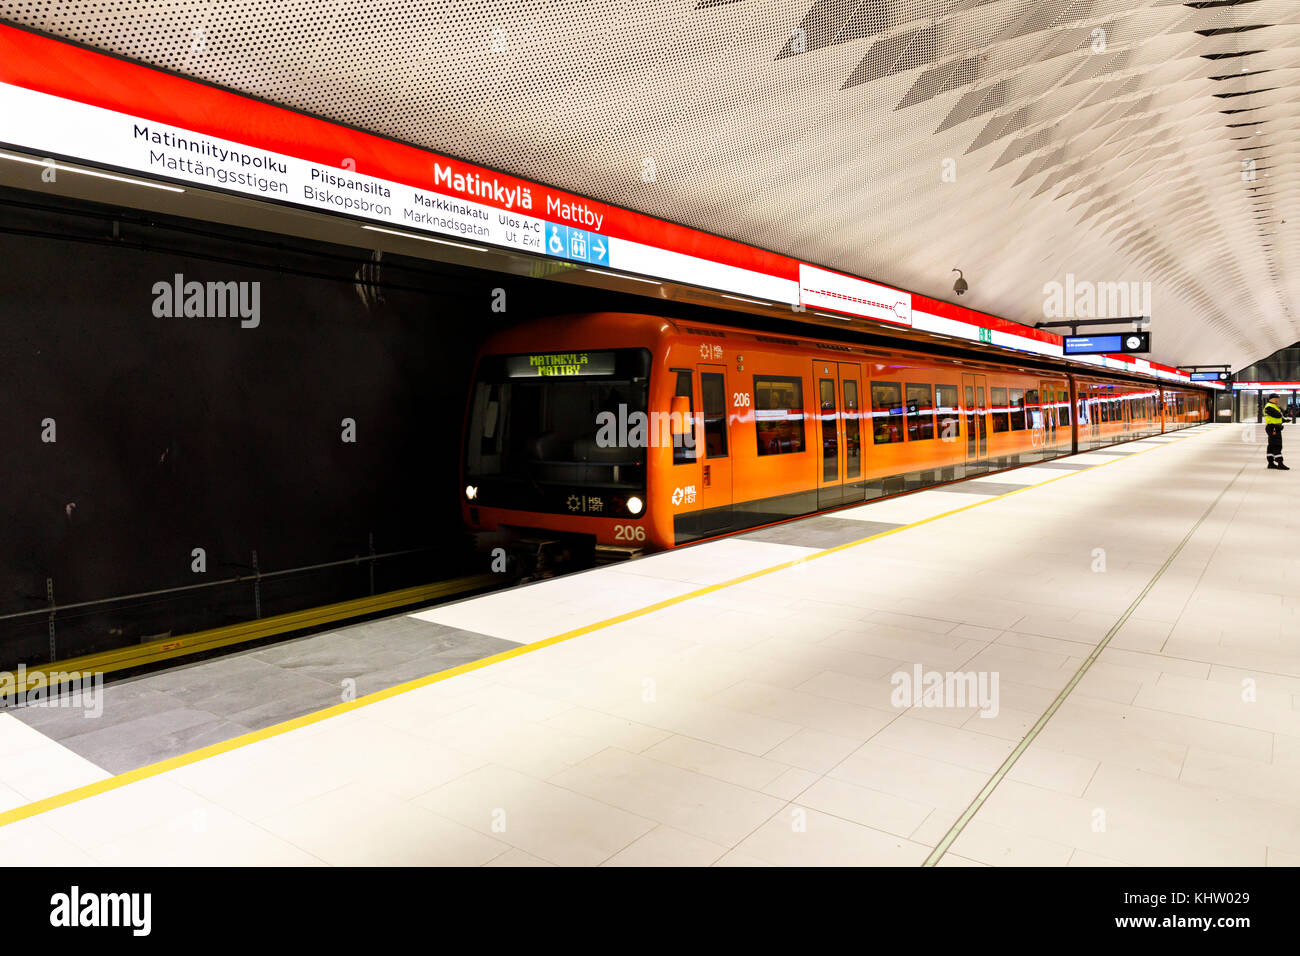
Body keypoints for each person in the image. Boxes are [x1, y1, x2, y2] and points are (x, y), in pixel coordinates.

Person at [1264, 394, 1288, 470]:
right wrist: (1281, 413)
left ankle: (1270, 463)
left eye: (1277, 398)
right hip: (1273, 427)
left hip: (1274, 427)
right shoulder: (1269, 406)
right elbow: (1277, 415)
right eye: (1275, 398)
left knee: (1271, 445)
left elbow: (1279, 416)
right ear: (1270, 399)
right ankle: (1280, 463)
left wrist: (1284, 420)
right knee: (1277, 444)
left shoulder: (1274, 406)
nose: (1277, 400)